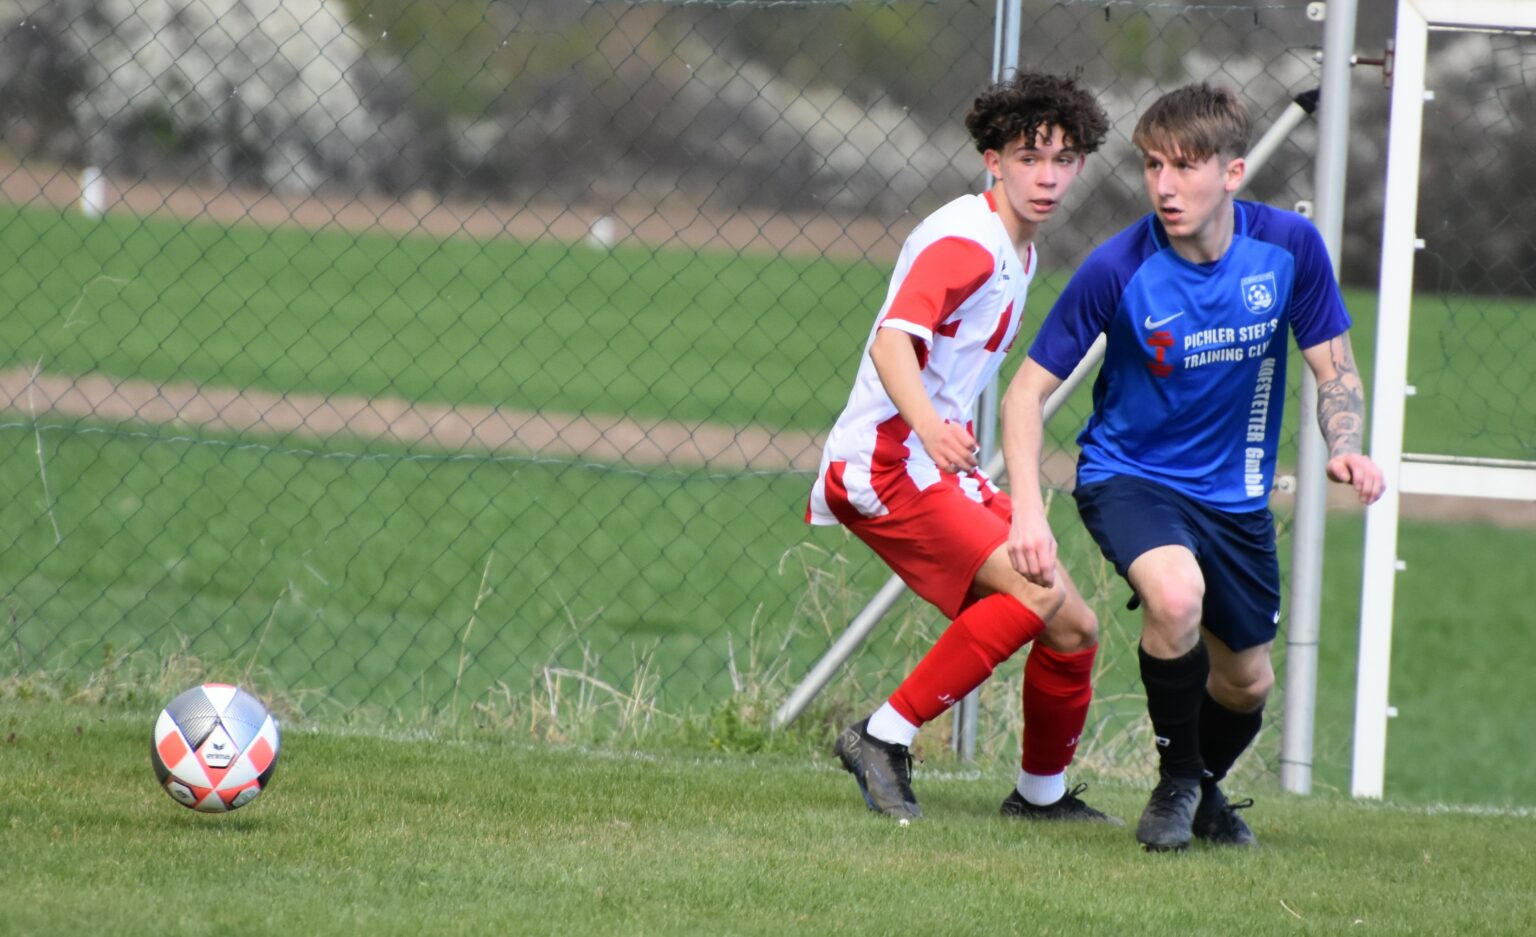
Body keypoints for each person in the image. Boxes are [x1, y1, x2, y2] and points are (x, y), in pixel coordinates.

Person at [1003, 83, 1385, 851]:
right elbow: (1024, 395)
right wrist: (1026, 508)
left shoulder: (1288, 250)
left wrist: (1345, 443)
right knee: (1176, 597)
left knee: (1247, 681)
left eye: (1184, 166)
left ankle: (1200, 790)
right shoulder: (1119, 268)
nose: (1165, 187)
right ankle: (1179, 782)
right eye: (1151, 166)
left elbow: (1335, 370)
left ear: (1233, 173)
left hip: (1236, 497)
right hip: (1128, 477)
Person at [806, 71, 1117, 824]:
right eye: (1028, 156)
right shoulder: (968, 242)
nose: (1047, 176)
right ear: (992, 160)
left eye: (1064, 158)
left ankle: (1039, 796)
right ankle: (882, 736)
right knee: (1035, 591)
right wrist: (932, 425)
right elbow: (890, 345)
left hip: (930, 465)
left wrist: (942, 433)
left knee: (1074, 626)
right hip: (884, 465)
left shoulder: (1018, 249)